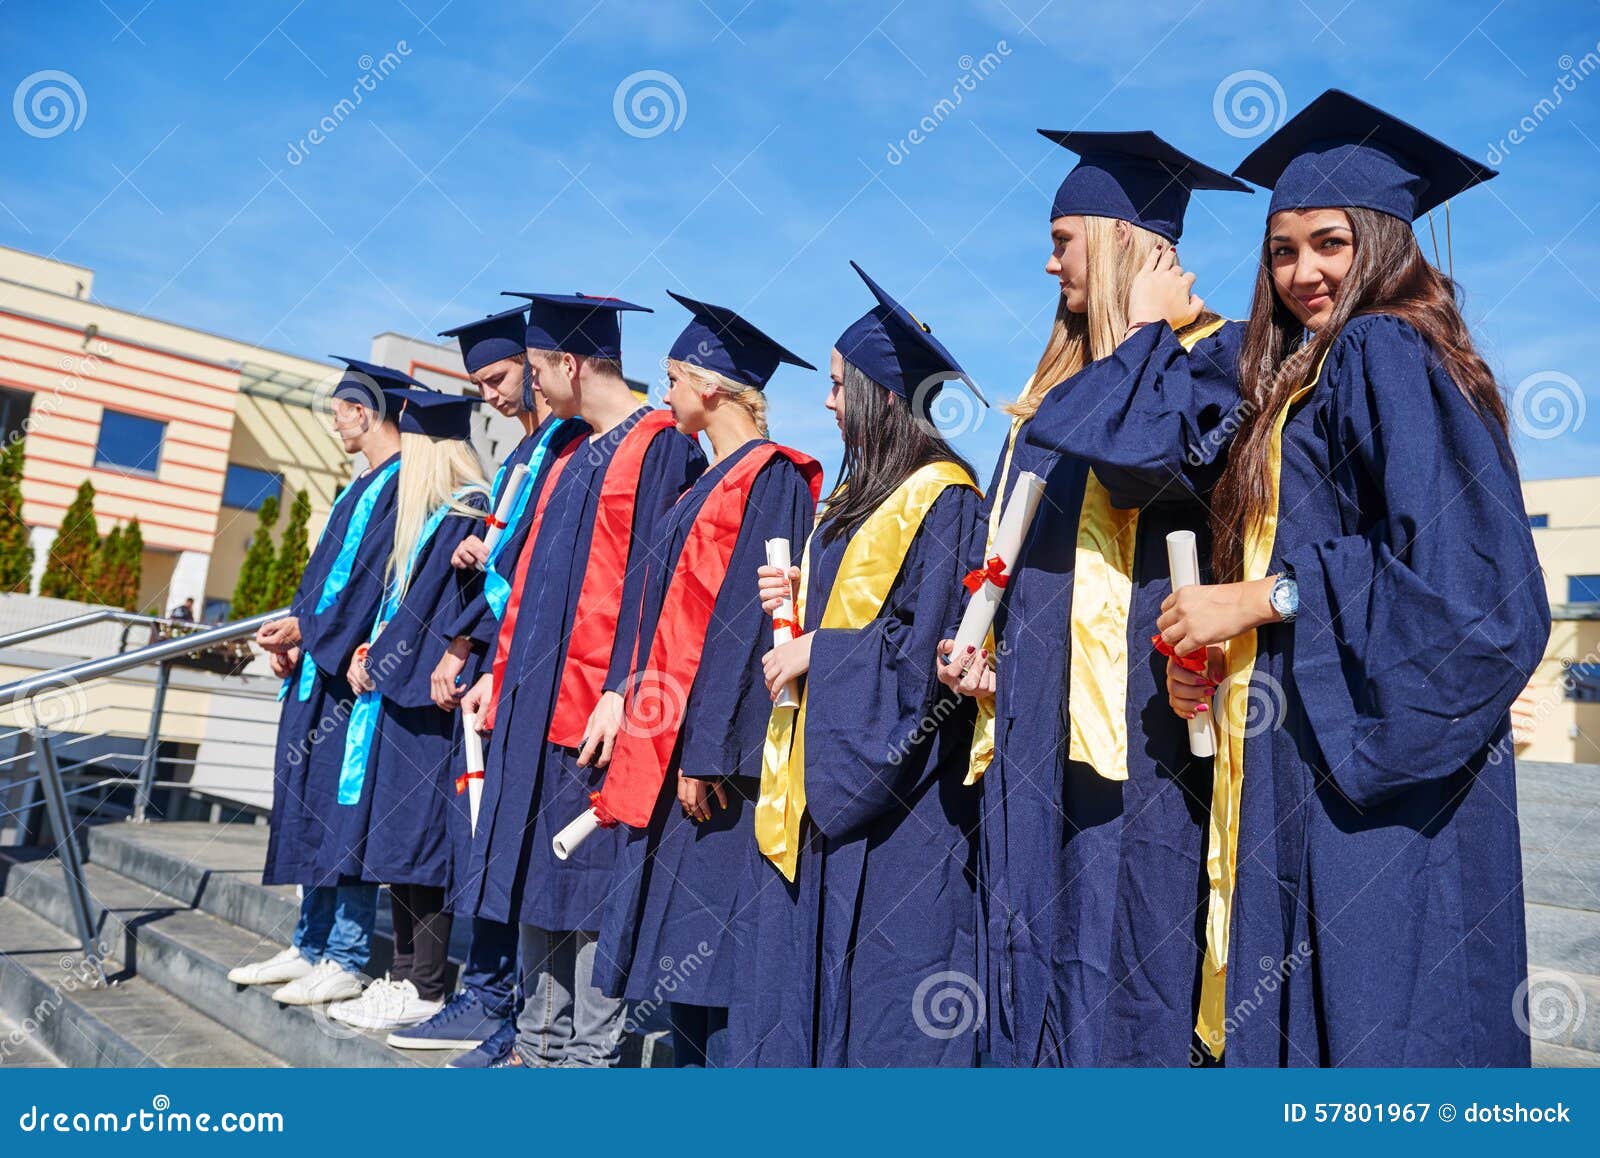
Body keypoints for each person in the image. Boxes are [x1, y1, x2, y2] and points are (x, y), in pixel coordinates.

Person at [1153, 90, 1550, 1065]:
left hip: (1376, 785)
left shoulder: (1381, 350)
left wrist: (1256, 599)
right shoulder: (1312, 374)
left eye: (1328, 243)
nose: (1302, 272)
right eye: (1282, 251)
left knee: (1377, 1024)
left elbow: (1469, 588)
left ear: (1380, 240)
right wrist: (1222, 651)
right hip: (1312, 755)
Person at [944, 131, 1251, 1066]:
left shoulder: (1219, 359)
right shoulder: (1057, 386)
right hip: (1038, 733)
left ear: (1123, 243)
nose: (1047, 263)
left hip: (1150, 734)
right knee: (1030, 945)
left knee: (1129, 958)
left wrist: (1151, 331)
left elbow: (1146, 456)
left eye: (1064, 239)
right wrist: (995, 655)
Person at [738, 263, 984, 1067]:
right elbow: (871, 609)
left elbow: (924, 650)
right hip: (829, 784)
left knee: (881, 1002)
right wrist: (802, 596)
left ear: (882, 397)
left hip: (901, 809)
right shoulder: (860, 500)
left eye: (840, 384)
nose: (829, 400)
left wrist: (821, 650)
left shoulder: (945, 498)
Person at [457, 292, 705, 1067]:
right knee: (537, 875)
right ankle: (536, 1052)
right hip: (535, 701)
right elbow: (527, 575)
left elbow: (657, 584)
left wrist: (621, 689)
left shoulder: (659, 444)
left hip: (598, 705)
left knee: (591, 879)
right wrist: (498, 669)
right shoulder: (567, 449)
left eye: (534, 368)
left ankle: (588, 1063)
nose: (529, 384)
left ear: (568, 364)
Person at [592, 292, 821, 1067]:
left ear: (712, 385)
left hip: (714, 763)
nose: (664, 395)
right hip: (672, 738)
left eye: (672, 378)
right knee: (680, 955)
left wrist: (709, 753)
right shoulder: (703, 481)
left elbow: (747, 626)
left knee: (714, 957)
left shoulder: (773, 479)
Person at [385, 307, 587, 1065]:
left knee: (519, 840)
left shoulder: (571, 447)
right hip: (500, 659)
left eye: (499, 378)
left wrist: (468, 637)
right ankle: (496, 992)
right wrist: (468, 622)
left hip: (538, 671)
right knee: (494, 838)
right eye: (482, 383)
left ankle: (511, 1004)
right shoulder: (522, 458)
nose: (494, 395)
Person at [301, 388, 491, 1032]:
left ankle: (427, 983)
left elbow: (453, 614)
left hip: (431, 705)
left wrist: (390, 659)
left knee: (423, 846)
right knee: (398, 845)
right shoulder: (435, 517)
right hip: (398, 694)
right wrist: (368, 651)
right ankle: (407, 976)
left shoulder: (470, 513)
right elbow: (401, 609)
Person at [229, 358, 409, 1007]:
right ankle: (309, 942)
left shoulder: (401, 487)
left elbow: (370, 587)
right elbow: (322, 585)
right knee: (308, 807)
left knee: (344, 813)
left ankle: (348, 953)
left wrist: (316, 636)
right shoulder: (357, 487)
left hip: (351, 681)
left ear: (364, 411)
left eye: (340, 410)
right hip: (319, 673)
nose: (334, 422)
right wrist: (294, 636)